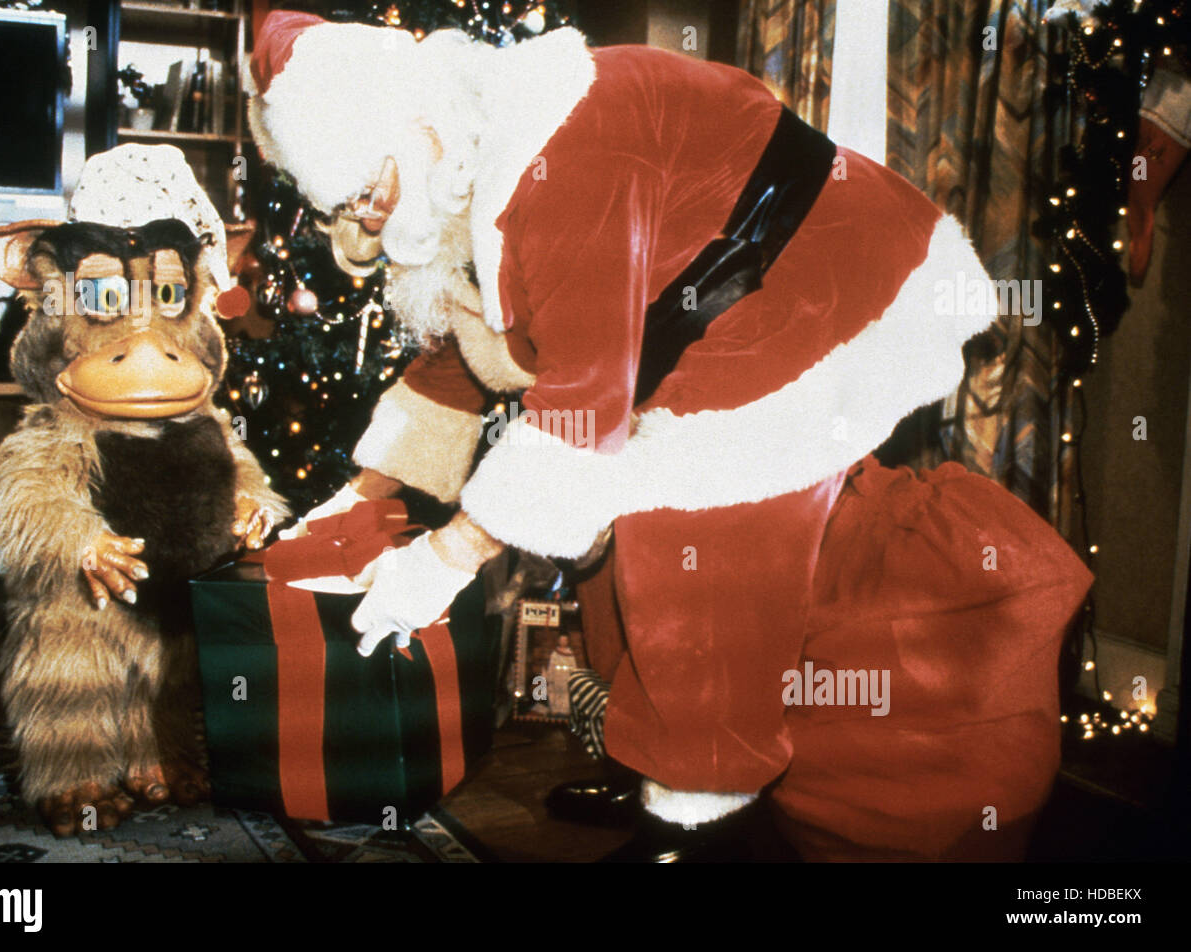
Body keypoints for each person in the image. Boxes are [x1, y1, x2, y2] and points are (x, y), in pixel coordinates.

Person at [247, 12, 1093, 861]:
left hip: (816, 300)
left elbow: (580, 415)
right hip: (701, 315)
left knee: (692, 548)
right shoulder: (463, 159)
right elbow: (460, 350)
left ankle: (699, 821)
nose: (366, 218)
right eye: (346, 203)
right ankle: (642, 761)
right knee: (603, 562)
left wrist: (446, 558)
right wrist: (364, 494)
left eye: (368, 187)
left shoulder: (560, 156)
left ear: (413, 124)